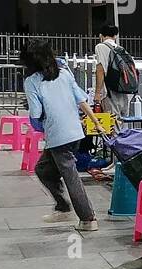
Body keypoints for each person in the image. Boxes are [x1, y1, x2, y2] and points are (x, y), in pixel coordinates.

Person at [22, 38, 99, 230]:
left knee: (70, 175)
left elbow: (35, 113)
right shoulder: (64, 74)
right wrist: (96, 121)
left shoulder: (32, 82)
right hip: (75, 132)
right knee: (43, 169)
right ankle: (62, 207)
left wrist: (39, 125)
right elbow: (81, 100)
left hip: (57, 135)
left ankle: (88, 218)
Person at [93, 24, 135, 117]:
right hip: (123, 91)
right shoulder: (120, 49)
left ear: (101, 35)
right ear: (115, 36)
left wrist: (97, 93)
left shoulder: (100, 47)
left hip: (110, 92)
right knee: (122, 122)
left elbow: (100, 70)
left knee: (111, 124)